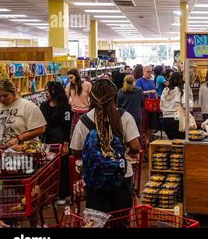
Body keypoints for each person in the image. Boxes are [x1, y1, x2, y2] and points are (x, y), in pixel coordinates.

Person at [70, 79, 141, 213]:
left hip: (94, 179)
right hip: (122, 177)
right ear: (115, 96)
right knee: (120, 219)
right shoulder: (125, 117)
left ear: (91, 98)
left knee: (97, 220)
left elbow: (75, 150)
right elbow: (136, 147)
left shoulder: (84, 121)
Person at [40, 81, 73, 205]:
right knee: (49, 168)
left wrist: (65, 143)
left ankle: (63, 194)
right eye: (45, 90)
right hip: (46, 140)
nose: (45, 93)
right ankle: (50, 194)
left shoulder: (65, 107)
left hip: (59, 139)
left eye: (48, 90)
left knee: (62, 167)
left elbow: (67, 126)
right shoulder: (43, 105)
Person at [0, 79, 46, 148]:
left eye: (5, 95)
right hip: (0, 152)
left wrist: (19, 138)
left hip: (24, 152)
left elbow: (41, 129)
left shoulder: (28, 106)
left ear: (13, 92)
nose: (2, 99)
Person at [160, 72, 193, 140]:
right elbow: (187, 106)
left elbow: (161, 106)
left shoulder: (165, 90)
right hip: (177, 120)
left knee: (171, 141)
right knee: (180, 142)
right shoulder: (181, 91)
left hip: (165, 120)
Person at [65, 69, 92, 135]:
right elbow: (66, 98)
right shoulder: (69, 86)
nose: (70, 80)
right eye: (69, 78)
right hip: (74, 113)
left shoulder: (87, 84)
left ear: (77, 76)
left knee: (85, 133)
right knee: (75, 134)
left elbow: (92, 98)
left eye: (71, 77)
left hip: (85, 112)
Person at [136, 66, 157, 141]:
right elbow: (139, 92)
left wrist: (156, 95)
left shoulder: (151, 81)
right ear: (143, 72)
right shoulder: (139, 81)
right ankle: (144, 141)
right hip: (144, 106)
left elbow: (155, 90)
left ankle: (149, 140)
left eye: (151, 71)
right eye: (148, 71)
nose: (150, 73)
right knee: (144, 124)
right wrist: (150, 91)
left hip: (153, 105)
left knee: (152, 124)